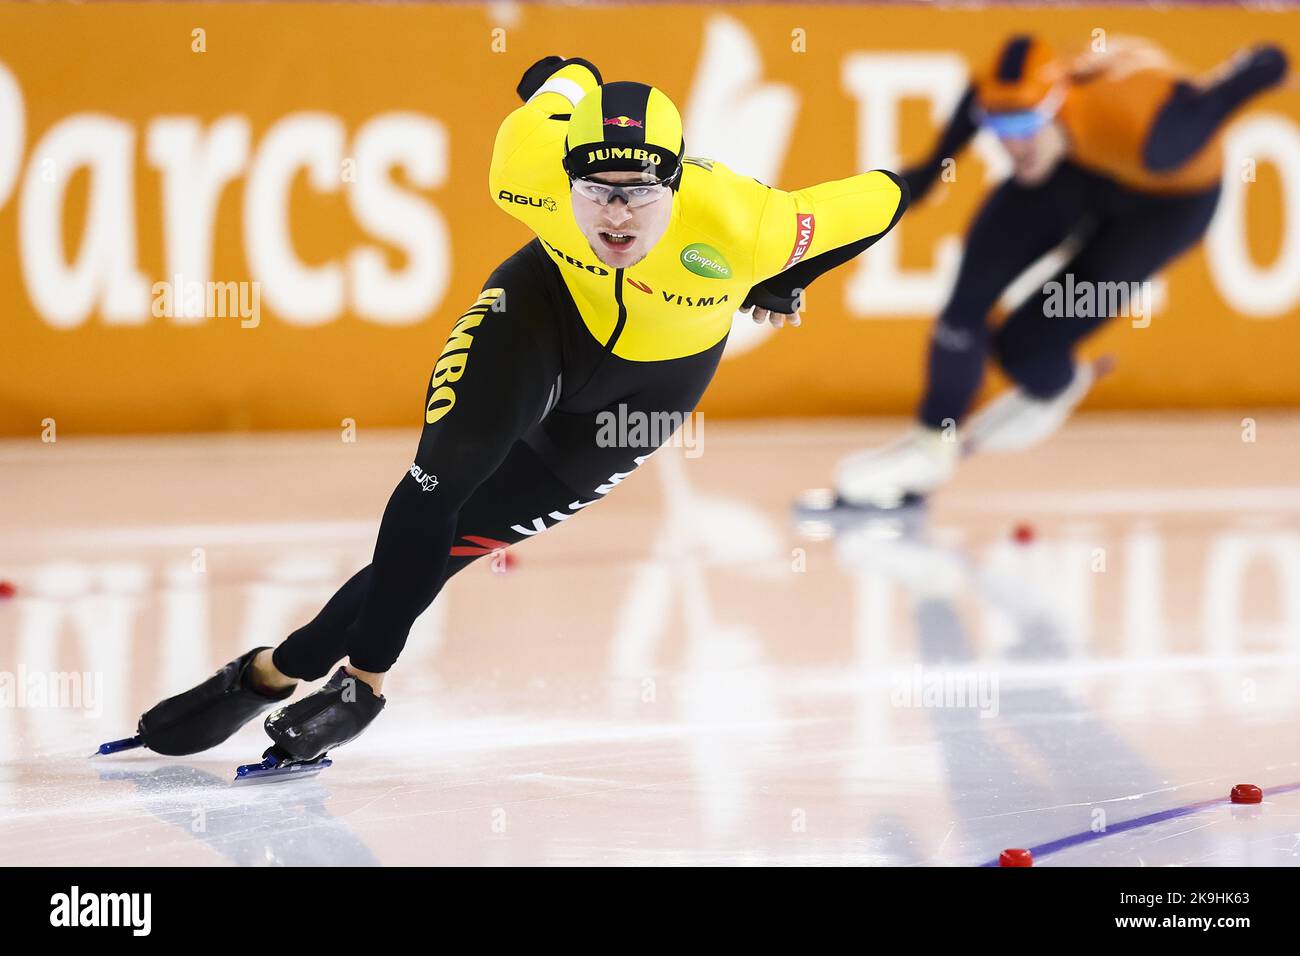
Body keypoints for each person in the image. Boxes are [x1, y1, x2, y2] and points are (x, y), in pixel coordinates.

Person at [108, 55, 910, 771]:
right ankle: (365, 687)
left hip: (647, 391)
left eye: (637, 195)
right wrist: (568, 76)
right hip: (541, 314)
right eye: (594, 192)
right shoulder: (523, 161)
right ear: (563, 176)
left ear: (676, 182)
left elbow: (884, 198)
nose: (616, 219)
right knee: (436, 485)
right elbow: (558, 74)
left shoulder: (750, 222)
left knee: (453, 542)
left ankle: (277, 669)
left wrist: (789, 277)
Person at [833, 35, 1289, 507]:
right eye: (999, 123)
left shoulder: (1162, 133)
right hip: (1079, 164)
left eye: (1026, 122)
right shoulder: (1006, 104)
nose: (1013, 143)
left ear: (1058, 103)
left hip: (1166, 206)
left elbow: (1246, 76)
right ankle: (932, 445)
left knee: (1026, 350)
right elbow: (930, 172)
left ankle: (1057, 381)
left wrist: (1271, 62)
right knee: (968, 298)